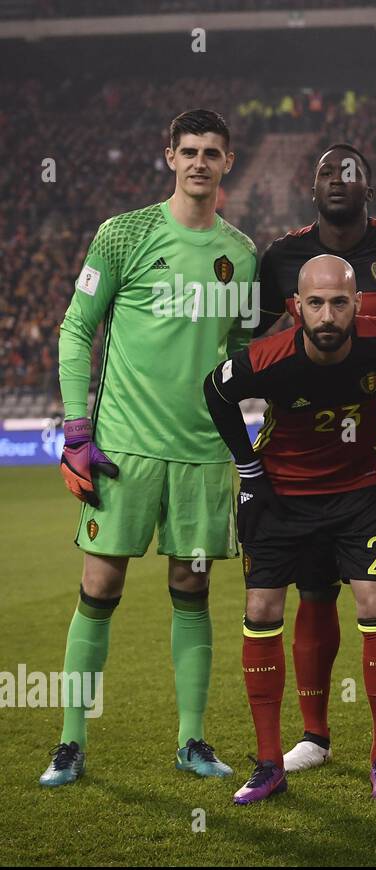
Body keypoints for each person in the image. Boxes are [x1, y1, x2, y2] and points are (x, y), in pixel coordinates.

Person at [42, 109, 257, 788]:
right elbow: (77, 329)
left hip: (200, 458)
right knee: (100, 585)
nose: (199, 161)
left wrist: (264, 437)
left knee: (192, 587)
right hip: (124, 453)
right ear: (169, 157)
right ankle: (70, 743)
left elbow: (248, 357)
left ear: (228, 161)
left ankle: (192, 740)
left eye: (212, 152)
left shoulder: (242, 254)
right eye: (188, 150)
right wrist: (77, 430)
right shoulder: (123, 235)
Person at [203, 254, 376, 803]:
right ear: (297, 307)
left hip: (358, 496)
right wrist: (248, 468)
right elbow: (216, 391)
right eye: (314, 303)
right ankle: (268, 764)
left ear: (357, 304)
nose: (327, 314)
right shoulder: (269, 357)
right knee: (261, 613)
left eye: (338, 302)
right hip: (280, 499)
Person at [255, 143, 376, 773]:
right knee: (315, 593)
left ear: (371, 187)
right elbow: (256, 337)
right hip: (309, 455)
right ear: (311, 188)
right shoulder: (282, 257)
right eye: (326, 173)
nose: (338, 181)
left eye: (351, 173)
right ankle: (315, 734)